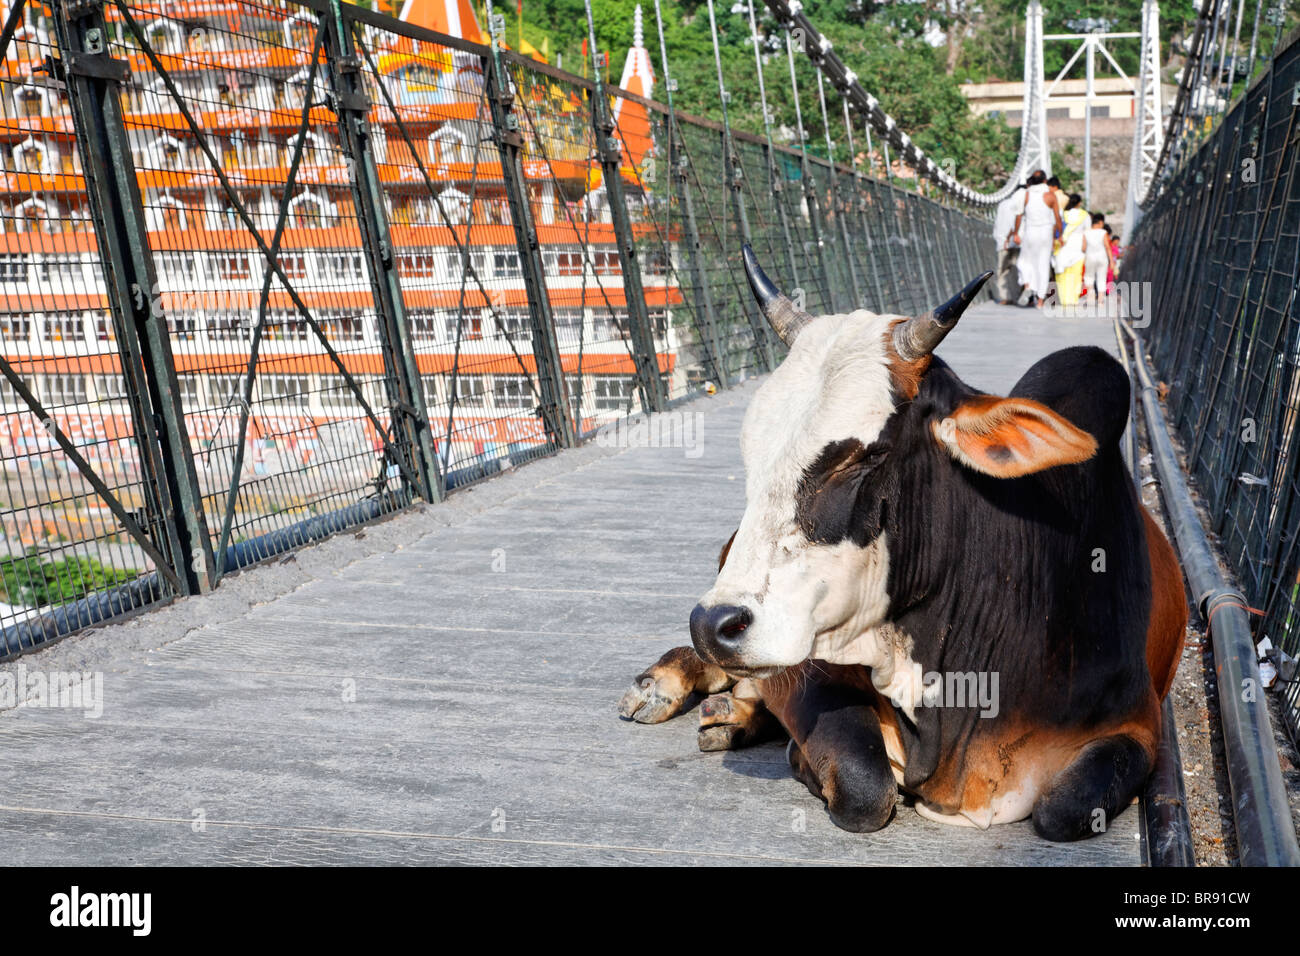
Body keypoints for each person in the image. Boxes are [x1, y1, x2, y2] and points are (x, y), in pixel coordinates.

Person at [1011, 170, 1061, 307]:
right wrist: (1060, 235)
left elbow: (1019, 215)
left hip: (1030, 231)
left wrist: (1016, 233)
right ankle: (1039, 301)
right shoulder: (1051, 196)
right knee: (1043, 265)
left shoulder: (1026, 195)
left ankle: (1027, 285)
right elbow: (1057, 218)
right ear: (1045, 181)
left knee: (1024, 261)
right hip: (1046, 233)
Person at [1051, 193, 1089, 308]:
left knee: (1062, 274)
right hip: (1078, 246)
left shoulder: (1062, 214)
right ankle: (1073, 299)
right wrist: (1085, 246)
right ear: (1079, 203)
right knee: (1075, 274)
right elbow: (1087, 232)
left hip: (1063, 246)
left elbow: (1055, 228)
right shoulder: (1084, 215)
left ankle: (1064, 299)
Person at [993, 182, 1026, 304]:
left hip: (1003, 242)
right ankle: (1017, 296)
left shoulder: (1003, 204)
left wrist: (1000, 238)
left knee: (1003, 270)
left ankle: (1005, 297)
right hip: (1020, 242)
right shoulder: (1024, 204)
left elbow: (997, 223)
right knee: (1019, 270)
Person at [1081, 212, 1113, 304]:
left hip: (1090, 257)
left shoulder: (1086, 232)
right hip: (1102, 258)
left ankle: (1090, 297)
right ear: (1100, 222)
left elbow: (1083, 248)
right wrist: (1111, 261)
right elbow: (1107, 247)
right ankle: (1100, 301)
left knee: (1089, 277)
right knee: (1101, 278)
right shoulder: (1103, 232)